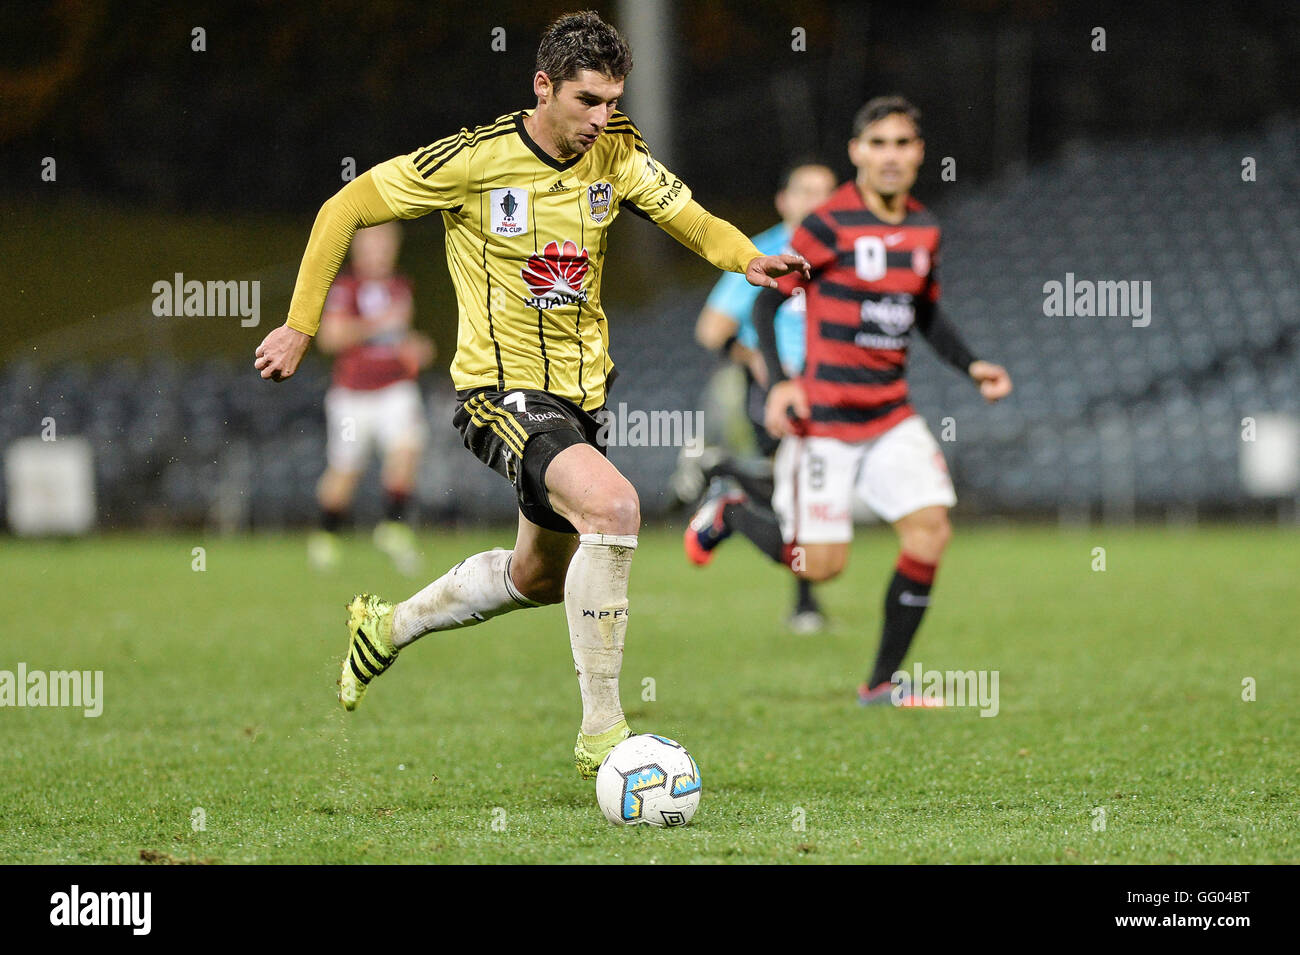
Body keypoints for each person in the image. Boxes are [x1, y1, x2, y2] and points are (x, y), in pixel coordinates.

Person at [253, 10, 808, 776]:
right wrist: (300, 325)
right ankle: (604, 736)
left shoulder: (615, 151)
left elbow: (692, 220)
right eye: (587, 100)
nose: (602, 118)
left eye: (613, 100)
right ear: (542, 86)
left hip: (581, 398)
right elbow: (344, 206)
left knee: (539, 578)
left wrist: (749, 259)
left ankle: (386, 627)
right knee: (615, 507)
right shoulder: (473, 160)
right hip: (499, 391)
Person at [687, 96, 1012, 706]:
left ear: (919, 153)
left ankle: (882, 683)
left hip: (890, 416)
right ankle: (731, 510)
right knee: (820, 565)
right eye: (879, 144)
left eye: (903, 144)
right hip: (825, 421)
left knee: (929, 530)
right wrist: (782, 380)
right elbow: (767, 301)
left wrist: (973, 366)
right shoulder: (827, 225)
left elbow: (925, 312)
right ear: (857, 152)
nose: (891, 156)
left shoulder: (923, 227)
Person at [685, 161, 836, 634]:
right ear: (783, 200)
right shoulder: (764, 251)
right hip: (777, 391)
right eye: (805, 190)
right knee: (802, 498)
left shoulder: (844, 253)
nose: (815, 200)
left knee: (802, 497)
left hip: (830, 389)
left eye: (825, 192)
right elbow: (711, 330)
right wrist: (756, 360)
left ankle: (722, 477)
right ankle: (805, 603)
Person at [308, 222, 434, 575]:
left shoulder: (399, 286)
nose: (380, 252)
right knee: (345, 471)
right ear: (358, 250)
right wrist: (378, 324)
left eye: (385, 244)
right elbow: (330, 338)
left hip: (395, 388)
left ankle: (393, 527)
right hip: (353, 394)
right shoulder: (345, 288)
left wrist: (414, 347)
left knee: (407, 448)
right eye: (373, 244)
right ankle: (326, 535)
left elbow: (397, 338)